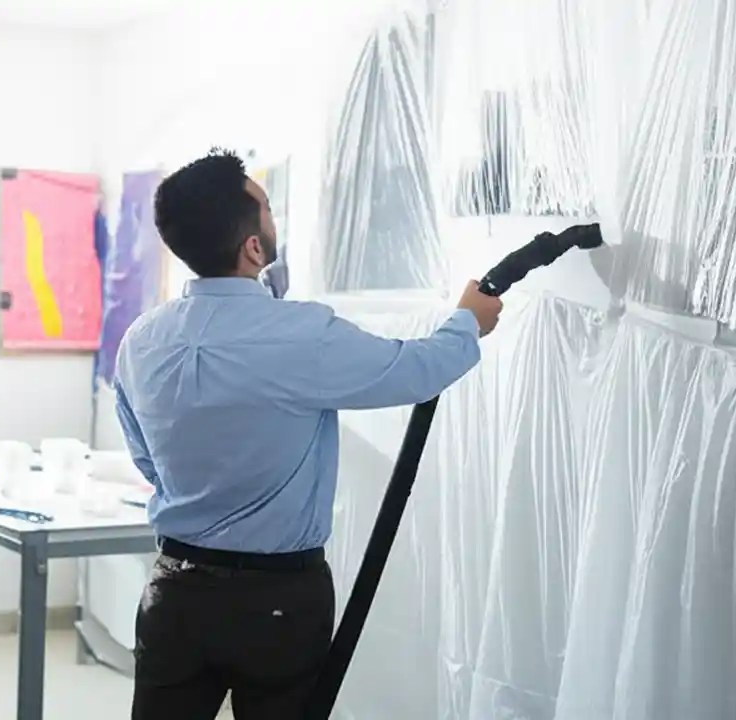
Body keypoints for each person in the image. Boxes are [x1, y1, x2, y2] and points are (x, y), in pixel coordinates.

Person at [113, 149, 503, 719]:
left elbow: (147, 459)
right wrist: (468, 319)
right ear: (252, 247)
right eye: (267, 210)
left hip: (176, 595)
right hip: (277, 605)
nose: (274, 222)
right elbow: (417, 370)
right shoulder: (299, 333)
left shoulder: (142, 339)